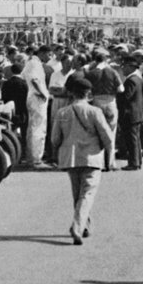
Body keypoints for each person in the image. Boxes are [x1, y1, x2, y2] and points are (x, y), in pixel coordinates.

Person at [51, 75, 115, 245]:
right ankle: (77, 226)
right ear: (88, 93)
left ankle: (84, 227)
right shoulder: (94, 112)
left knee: (78, 194)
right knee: (87, 194)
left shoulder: (62, 112)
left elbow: (55, 139)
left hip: (70, 158)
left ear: (72, 93)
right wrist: (110, 159)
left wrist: (58, 152)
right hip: (91, 157)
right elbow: (107, 137)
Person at [84, 48, 123, 170]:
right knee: (111, 132)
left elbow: (84, 70)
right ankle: (110, 163)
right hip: (110, 101)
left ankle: (98, 162)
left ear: (95, 61)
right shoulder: (112, 72)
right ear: (106, 60)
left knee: (98, 132)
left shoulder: (92, 73)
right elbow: (121, 89)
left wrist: (92, 65)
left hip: (97, 102)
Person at [23, 48, 51, 167]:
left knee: (34, 127)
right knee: (38, 128)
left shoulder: (31, 63)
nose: (49, 57)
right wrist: (42, 93)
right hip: (37, 97)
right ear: (41, 53)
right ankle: (35, 158)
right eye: (48, 54)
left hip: (33, 96)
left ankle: (32, 157)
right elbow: (34, 79)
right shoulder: (34, 63)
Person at [117, 54, 143, 170]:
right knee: (135, 139)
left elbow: (125, 97)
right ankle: (137, 161)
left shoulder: (131, 80)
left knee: (131, 139)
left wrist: (117, 94)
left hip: (130, 114)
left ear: (130, 67)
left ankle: (134, 163)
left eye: (124, 67)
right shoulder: (138, 79)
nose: (122, 69)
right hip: (136, 113)